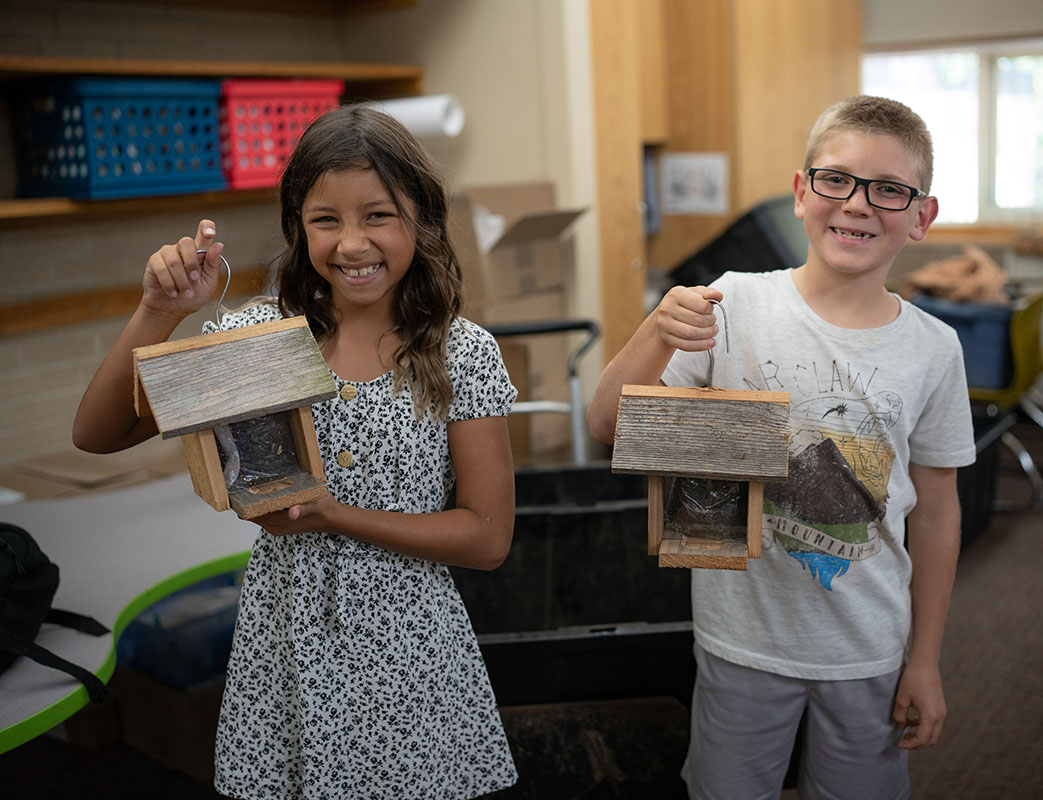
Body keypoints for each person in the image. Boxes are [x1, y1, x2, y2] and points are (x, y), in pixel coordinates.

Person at [73, 105, 519, 799]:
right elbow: (99, 434)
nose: (352, 243)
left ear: (423, 219)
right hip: (286, 645)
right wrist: (160, 310)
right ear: (297, 225)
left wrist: (335, 515)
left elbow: (487, 538)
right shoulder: (263, 338)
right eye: (325, 219)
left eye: (378, 216)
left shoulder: (461, 352)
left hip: (412, 657)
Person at [587, 95, 975, 800]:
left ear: (922, 216)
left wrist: (925, 659)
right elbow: (609, 425)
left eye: (889, 189)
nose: (857, 204)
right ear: (801, 192)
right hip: (740, 641)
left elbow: (939, 510)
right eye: (837, 179)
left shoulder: (934, 348)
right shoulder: (731, 305)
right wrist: (653, 333)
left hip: (867, 646)